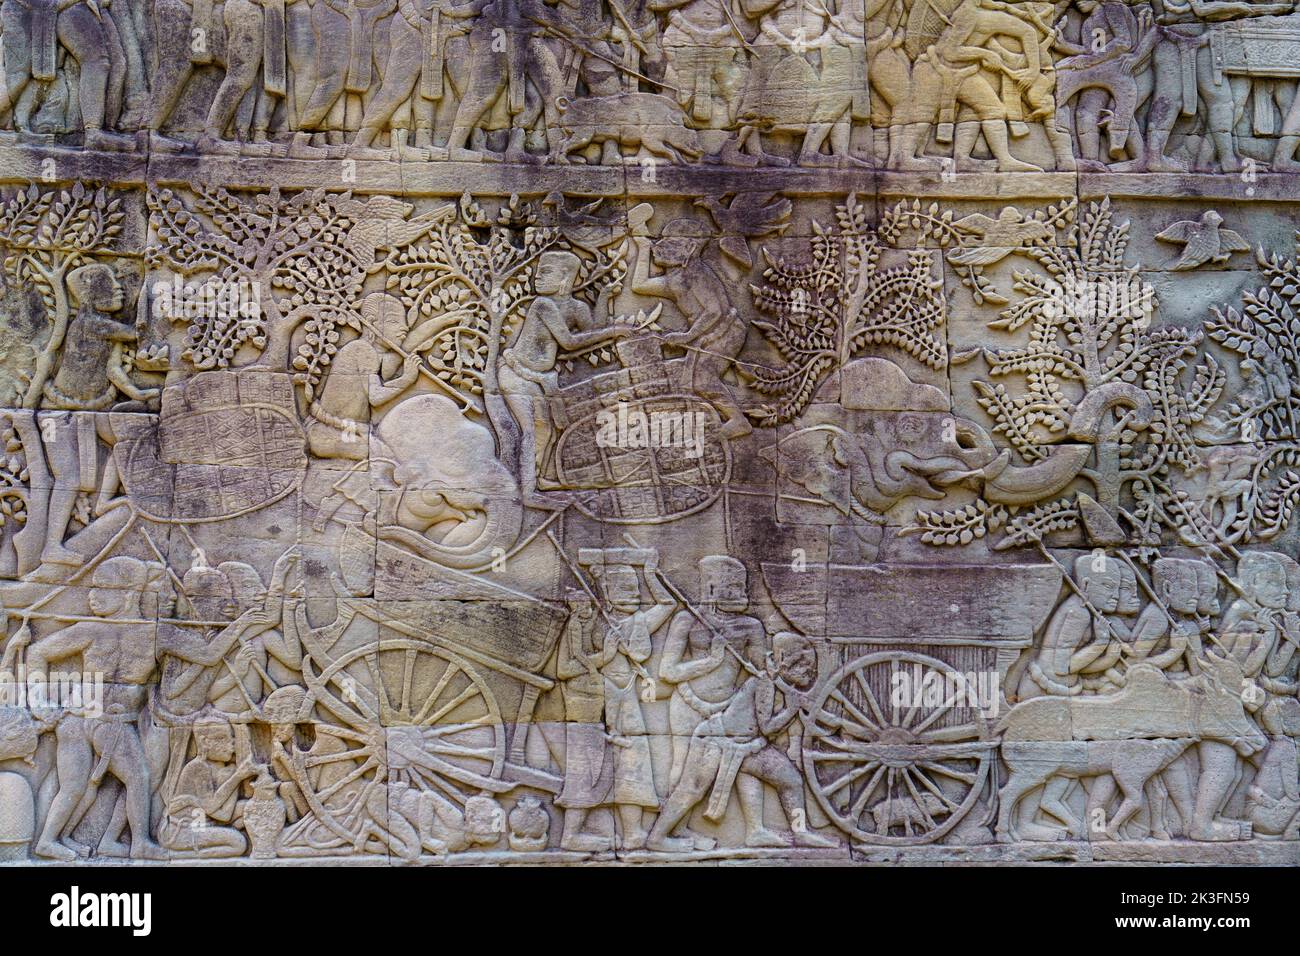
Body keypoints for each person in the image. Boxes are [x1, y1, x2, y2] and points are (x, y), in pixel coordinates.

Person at [647, 631, 837, 851]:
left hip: (748, 748)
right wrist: (790, 709)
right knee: (693, 789)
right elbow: (768, 728)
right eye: (804, 669)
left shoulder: (781, 685)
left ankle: (784, 832)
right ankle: (657, 838)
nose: (810, 675)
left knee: (790, 779)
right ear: (784, 664)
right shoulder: (765, 682)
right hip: (716, 741)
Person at [499, 251, 630, 502]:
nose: (537, 277)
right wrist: (615, 331)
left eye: (546, 271)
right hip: (517, 374)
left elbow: (592, 330)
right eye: (538, 270)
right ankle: (527, 490)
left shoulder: (576, 307)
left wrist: (603, 298)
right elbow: (569, 342)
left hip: (541, 377)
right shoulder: (542, 304)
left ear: (566, 277)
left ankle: (538, 479)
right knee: (531, 428)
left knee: (545, 428)